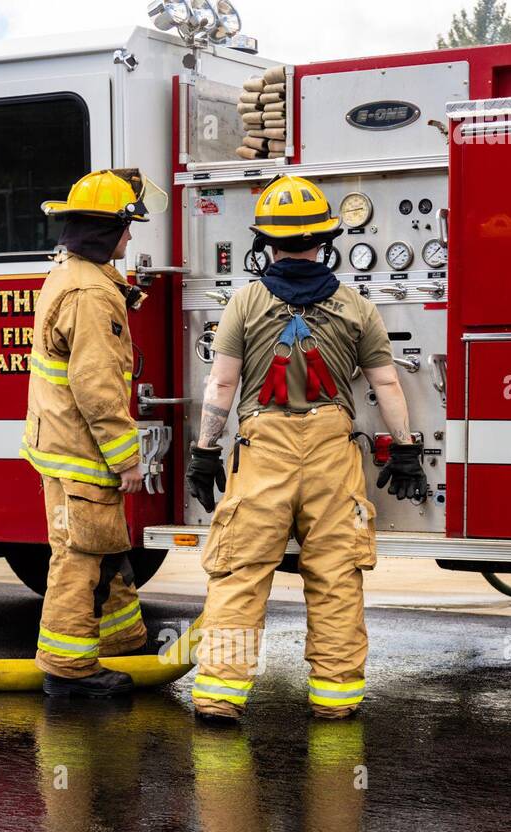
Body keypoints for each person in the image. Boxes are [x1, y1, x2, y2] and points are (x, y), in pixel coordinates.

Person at [187, 174, 427, 721]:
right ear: (327, 240)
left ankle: (222, 694)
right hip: (330, 452)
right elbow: (386, 384)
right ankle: (335, 699)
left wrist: (204, 452)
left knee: (241, 574)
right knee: (336, 575)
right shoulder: (357, 306)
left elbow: (220, 385)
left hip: (263, 448)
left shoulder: (244, 303)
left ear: (264, 242)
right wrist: (407, 448)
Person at [20, 168, 167, 699]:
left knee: (106, 550)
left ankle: (122, 641)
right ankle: (68, 669)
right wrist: (127, 458)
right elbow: (97, 387)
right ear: (107, 231)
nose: (131, 237)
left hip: (62, 443)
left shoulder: (73, 274)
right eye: (128, 227)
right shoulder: (89, 293)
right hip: (81, 450)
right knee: (81, 555)